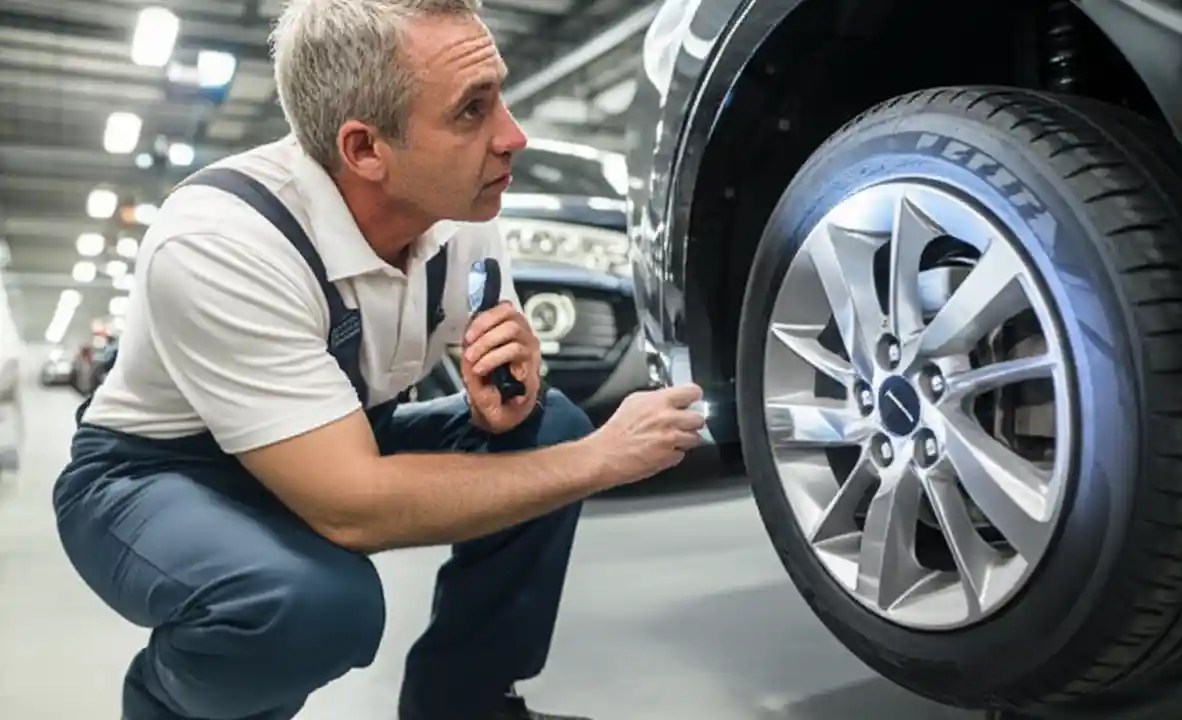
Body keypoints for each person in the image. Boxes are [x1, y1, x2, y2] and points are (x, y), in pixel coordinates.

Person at [49, 1, 705, 719]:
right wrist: (603, 459)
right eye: (471, 112)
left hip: (334, 434)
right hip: (158, 474)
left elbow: (490, 394)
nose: (512, 136)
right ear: (364, 150)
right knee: (312, 604)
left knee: (549, 427)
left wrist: (511, 392)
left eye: (500, 97)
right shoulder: (222, 241)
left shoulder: (461, 214)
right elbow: (351, 508)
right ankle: (169, 707)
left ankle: (462, 702)